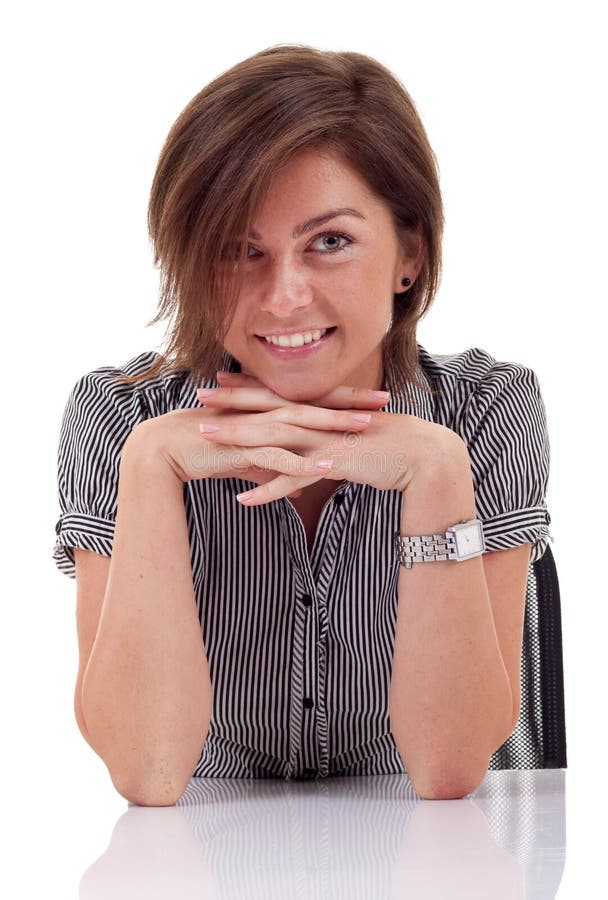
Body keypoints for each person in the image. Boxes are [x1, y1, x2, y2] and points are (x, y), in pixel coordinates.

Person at [53, 44, 553, 806]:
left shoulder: (485, 411)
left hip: (418, 854)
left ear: (409, 254)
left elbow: (450, 768)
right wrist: (153, 466)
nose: (284, 297)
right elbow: (148, 774)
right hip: (200, 857)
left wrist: (437, 472)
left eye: (330, 242)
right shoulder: (124, 418)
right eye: (237, 249)